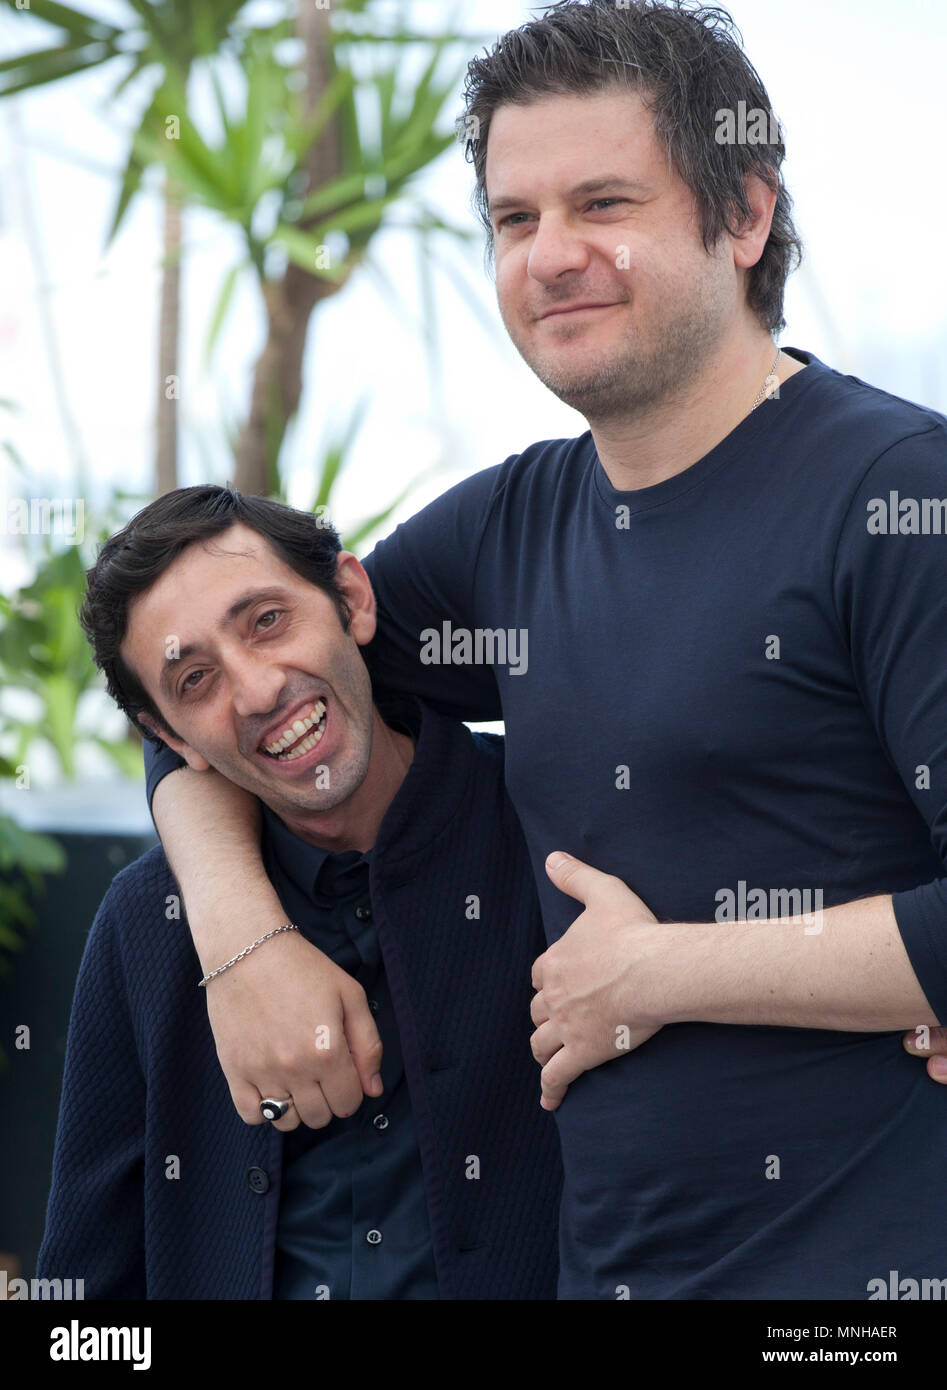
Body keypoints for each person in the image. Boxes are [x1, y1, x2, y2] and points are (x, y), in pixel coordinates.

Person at [142, 0, 947, 1299]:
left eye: (601, 203)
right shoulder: (507, 529)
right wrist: (241, 938)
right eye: (513, 220)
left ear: (740, 215)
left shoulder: (895, 497)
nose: (549, 255)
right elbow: (240, 701)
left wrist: (666, 972)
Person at [36, 488, 561, 1299]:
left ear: (350, 598)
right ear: (172, 741)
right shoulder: (146, 924)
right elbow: (83, 1295)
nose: (255, 690)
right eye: (196, 679)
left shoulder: (549, 828)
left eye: (266, 621)